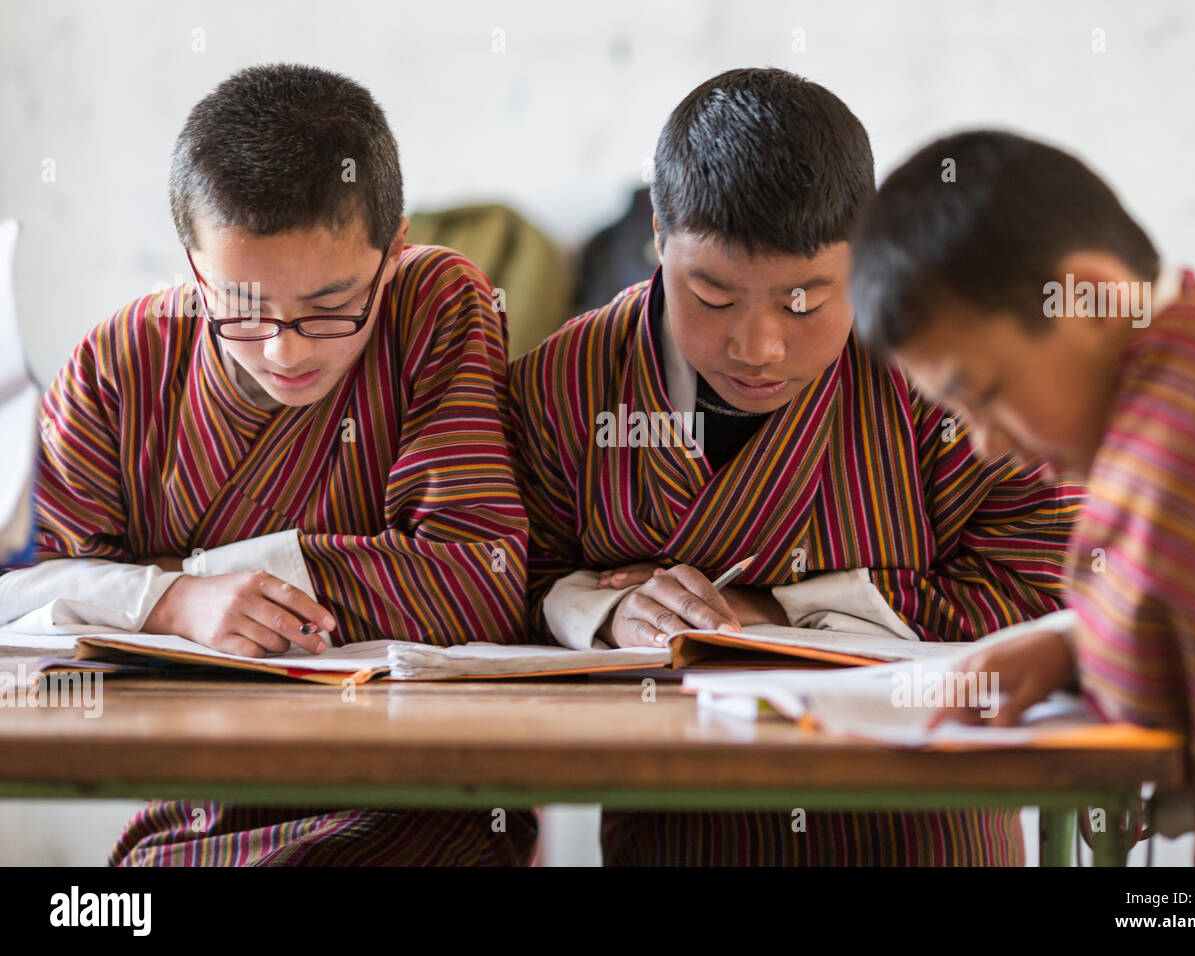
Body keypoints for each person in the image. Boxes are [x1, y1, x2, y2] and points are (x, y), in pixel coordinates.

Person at [509, 70, 1082, 866]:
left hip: (925, 827)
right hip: (678, 830)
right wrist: (608, 613)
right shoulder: (565, 383)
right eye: (710, 295)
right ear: (657, 232)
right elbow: (503, 584)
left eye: (805, 301)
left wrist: (780, 614)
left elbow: (1050, 585)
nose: (758, 348)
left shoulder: (937, 369)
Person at [0, 64, 535, 865]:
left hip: (419, 796)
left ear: (393, 252)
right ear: (193, 265)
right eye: (241, 307)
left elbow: (478, 581)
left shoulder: (437, 304)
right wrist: (176, 601)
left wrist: (170, 587)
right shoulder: (120, 363)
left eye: (330, 307)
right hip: (196, 813)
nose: (285, 350)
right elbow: (25, 603)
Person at [850, 129, 1195, 865]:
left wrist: (1079, 642)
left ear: (1091, 298)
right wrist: (1065, 643)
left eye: (984, 395)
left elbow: (1142, 688)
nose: (984, 445)